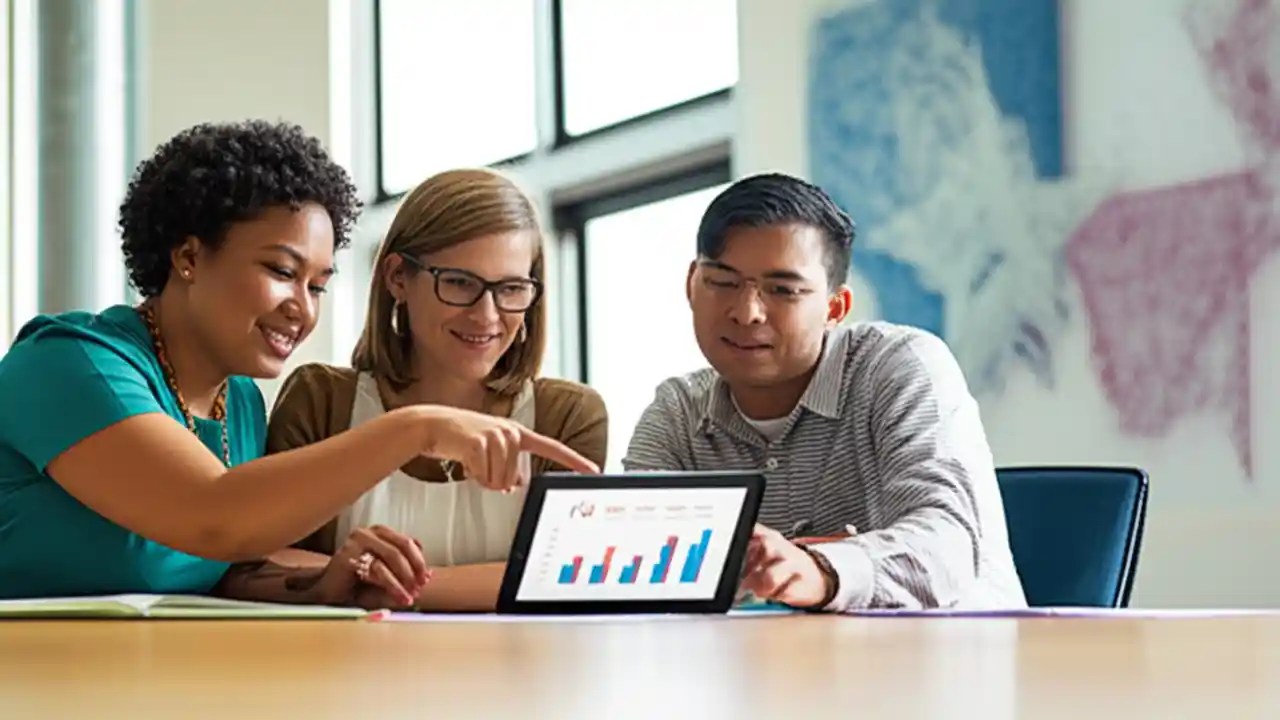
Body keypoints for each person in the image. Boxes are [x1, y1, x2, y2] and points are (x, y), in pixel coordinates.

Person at [0, 121, 596, 605]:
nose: (301, 310)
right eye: (282, 272)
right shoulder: (71, 363)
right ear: (187, 255)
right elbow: (214, 517)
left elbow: (236, 566)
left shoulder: (240, 405)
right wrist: (418, 426)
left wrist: (326, 582)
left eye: (317, 285)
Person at [623, 173, 1026, 611]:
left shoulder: (899, 367)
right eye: (723, 282)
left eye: (783, 290)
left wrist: (821, 570)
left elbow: (947, 544)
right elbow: (640, 569)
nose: (747, 312)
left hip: (951, 666)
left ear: (835, 308)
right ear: (691, 285)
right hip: (768, 673)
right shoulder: (677, 414)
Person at [267, 168, 607, 612]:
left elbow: (560, 573)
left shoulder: (568, 415)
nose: (486, 315)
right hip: (347, 672)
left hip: (516, 674)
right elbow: (264, 558)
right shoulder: (321, 400)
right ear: (397, 278)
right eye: (460, 283)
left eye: (510, 289)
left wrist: (378, 583)